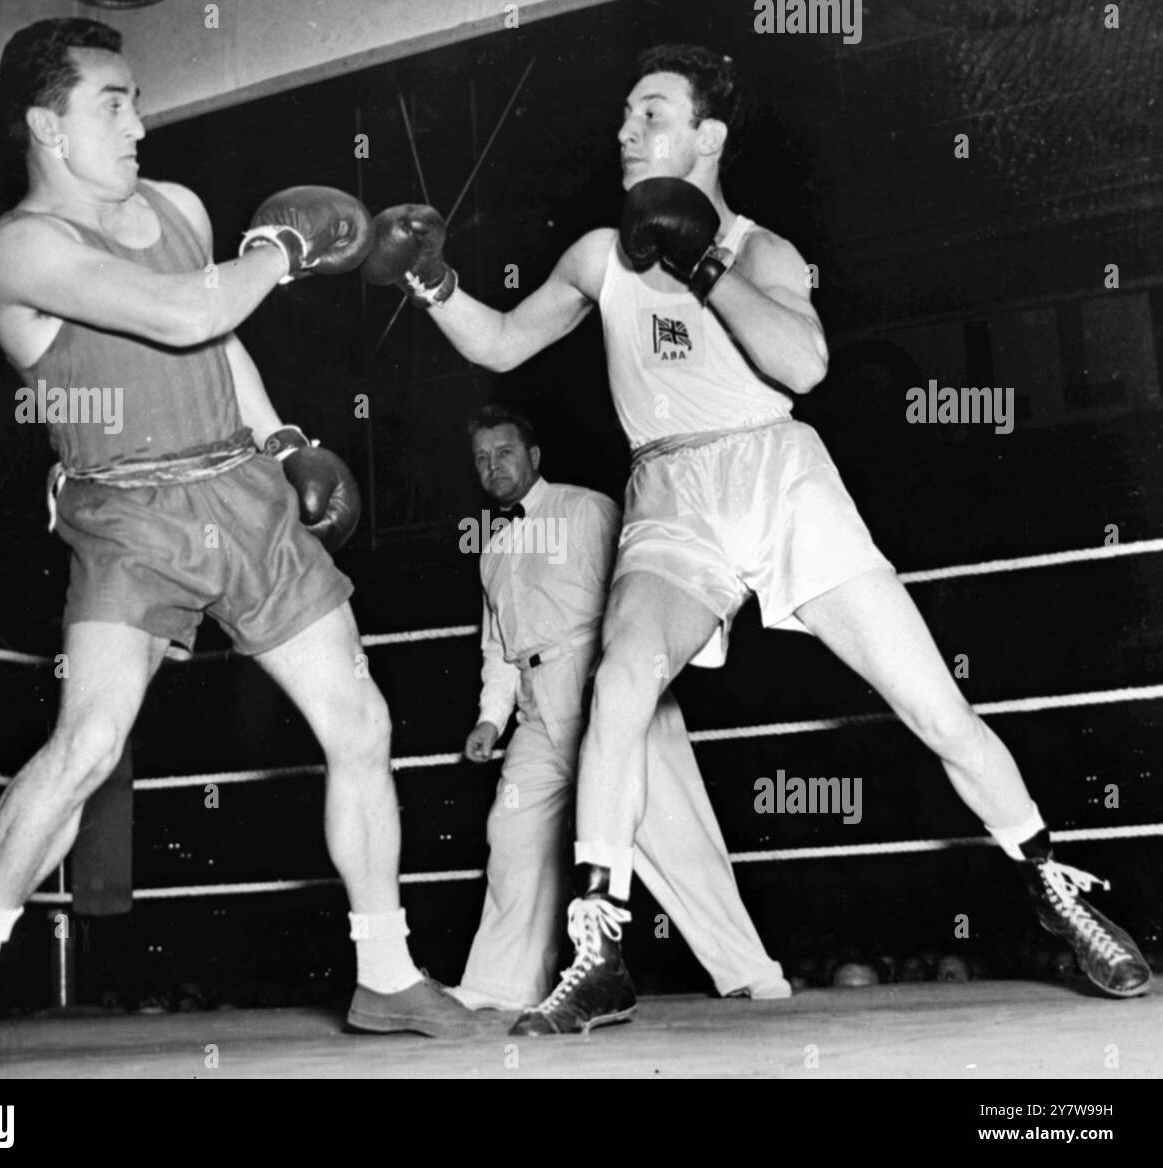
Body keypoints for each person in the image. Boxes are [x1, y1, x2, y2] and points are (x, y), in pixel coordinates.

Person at [360, 43, 1153, 1035]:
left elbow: (807, 363)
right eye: (622, 116)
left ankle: (1055, 886)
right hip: (669, 492)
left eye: (650, 113)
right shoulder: (598, 256)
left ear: (708, 135)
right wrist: (430, 282)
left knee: (930, 702)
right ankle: (598, 943)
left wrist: (703, 261)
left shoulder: (762, 250)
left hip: (779, 476)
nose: (625, 131)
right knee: (620, 676)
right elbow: (504, 341)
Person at [0, 17, 480, 1067]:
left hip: (240, 487)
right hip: (127, 515)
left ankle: (387, 972)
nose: (138, 119)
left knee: (359, 717)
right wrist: (276, 250)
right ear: (46, 123)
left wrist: (285, 439)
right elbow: (176, 312)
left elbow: (218, 338)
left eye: (136, 97)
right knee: (85, 748)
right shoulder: (20, 246)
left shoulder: (175, 205)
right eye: (111, 102)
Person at [454, 405, 787, 1012]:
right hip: (534, 707)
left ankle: (750, 971)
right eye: (481, 457)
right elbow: (498, 648)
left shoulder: (589, 510)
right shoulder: (492, 548)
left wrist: (628, 674)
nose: (492, 466)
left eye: (503, 452)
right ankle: (499, 984)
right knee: (515, 830)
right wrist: (489, 718)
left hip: (607, 680)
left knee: (672, 830)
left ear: (533, 457)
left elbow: (644, 593)